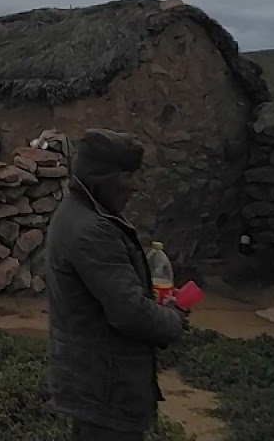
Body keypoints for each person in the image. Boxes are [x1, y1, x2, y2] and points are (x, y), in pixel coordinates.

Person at [45, 128, 190, 440]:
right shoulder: (93, 230)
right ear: (102, 178)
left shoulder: (77, 213)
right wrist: (173, 319)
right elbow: (130, 313)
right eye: (128, 176)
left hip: (92, 381)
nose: (135, 186)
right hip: (106, 387)